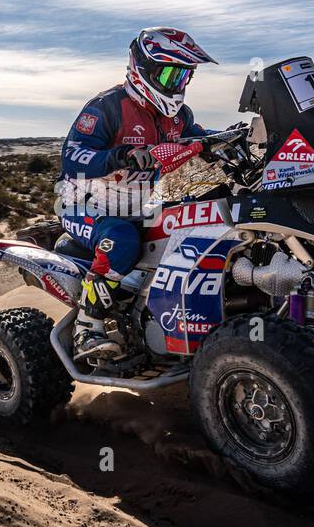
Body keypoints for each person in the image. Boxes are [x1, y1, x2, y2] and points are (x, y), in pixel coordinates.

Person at [56, 27, 217, 361]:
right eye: (172, 73)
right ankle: (88, 326)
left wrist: (232, 140)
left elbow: (200, 138)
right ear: (144, 69)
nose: (178, 83)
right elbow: (72, 157)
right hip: (82, 205)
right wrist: (123, 155)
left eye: (184, 75)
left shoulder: (179, 116)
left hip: (136, 204)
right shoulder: (106, 108)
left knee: (193, 224)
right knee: (122, 240)